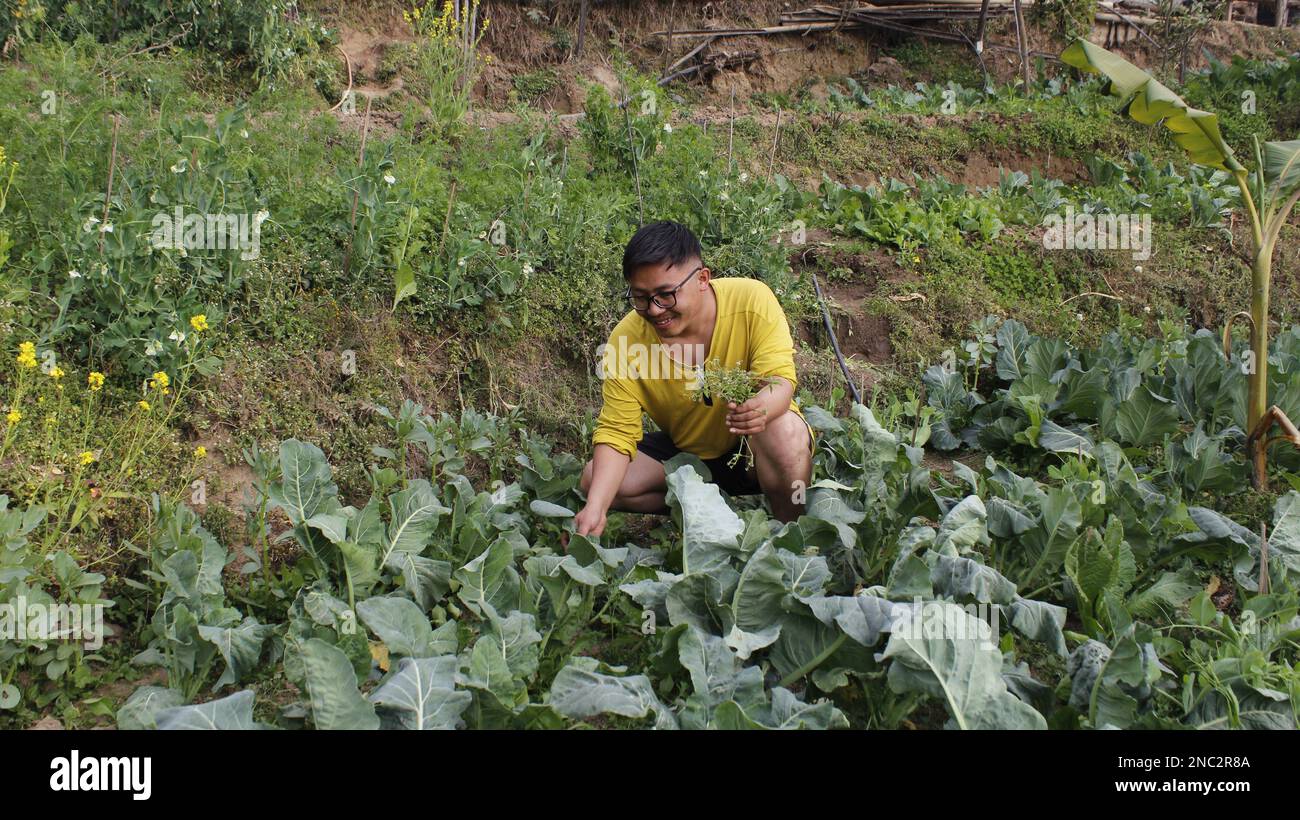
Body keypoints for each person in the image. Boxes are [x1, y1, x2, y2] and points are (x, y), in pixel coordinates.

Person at [574, 220, 813, 537]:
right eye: (641, 298)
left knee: (785, 434)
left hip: (750, 448)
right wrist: (596, 508)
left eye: (666, 295)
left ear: (702, 279)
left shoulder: (751, 301)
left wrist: (760, 409)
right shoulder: (626, 341)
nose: (655, 310)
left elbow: (780, 380)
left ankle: (791, 533)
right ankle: (715, 509)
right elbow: (617, 431)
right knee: (595, 483)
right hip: (689, 458)